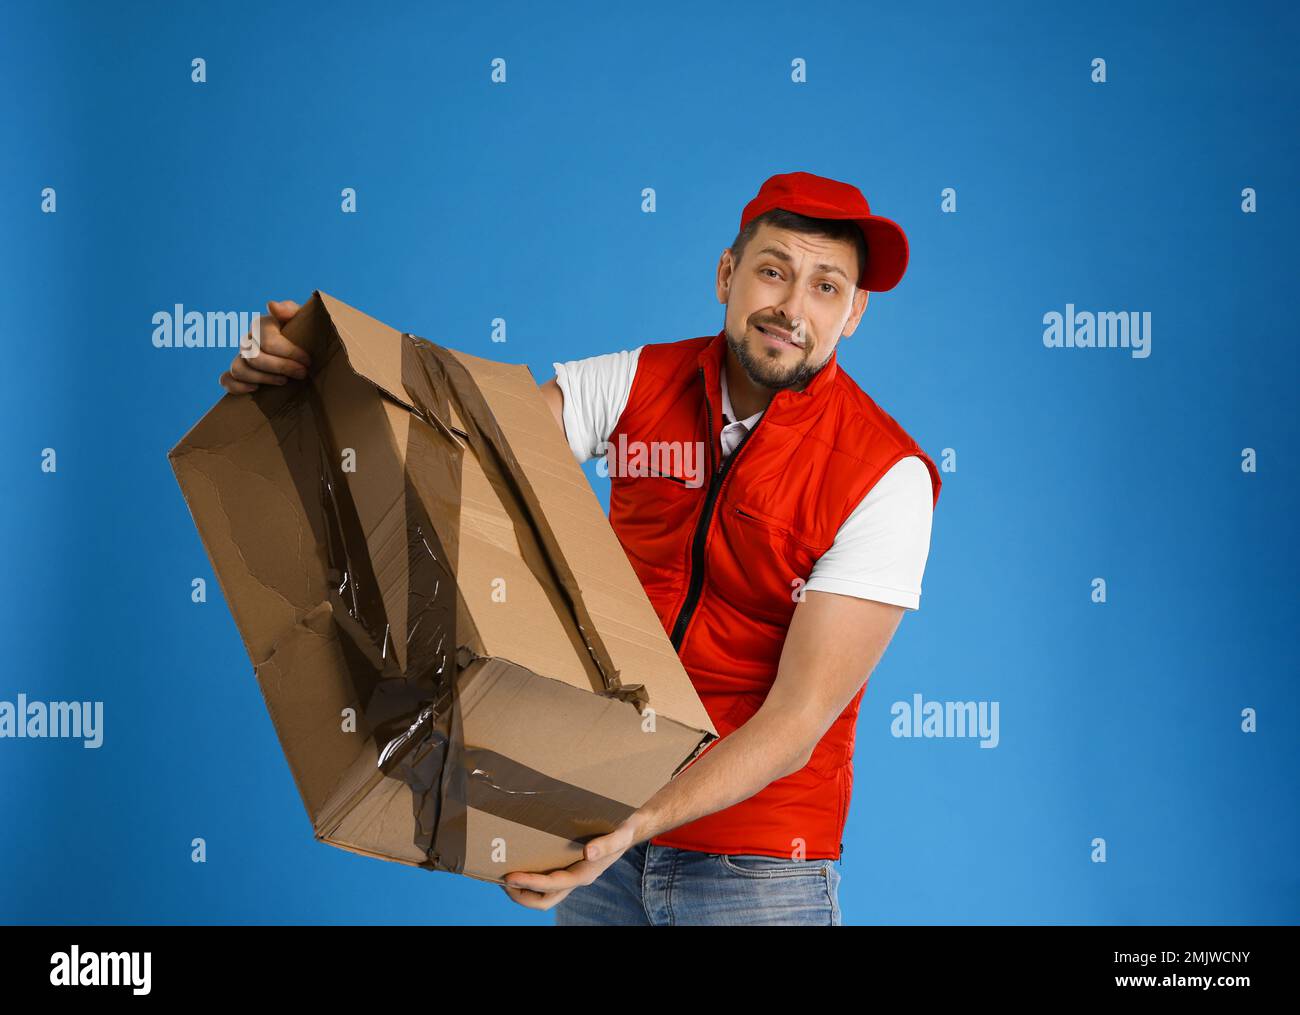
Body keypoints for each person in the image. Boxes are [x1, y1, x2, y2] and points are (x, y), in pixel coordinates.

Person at [219, 171, 941, 926]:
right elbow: (454, 452)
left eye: (827, 287)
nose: (793, 309)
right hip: (600, 834)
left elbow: (797, 721)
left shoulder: (886, 477)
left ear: (855, 311)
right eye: (773, 271)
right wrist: (309, 374)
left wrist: (634, 818)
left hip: (756, 870)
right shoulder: (636, 383)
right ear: (726, 274)